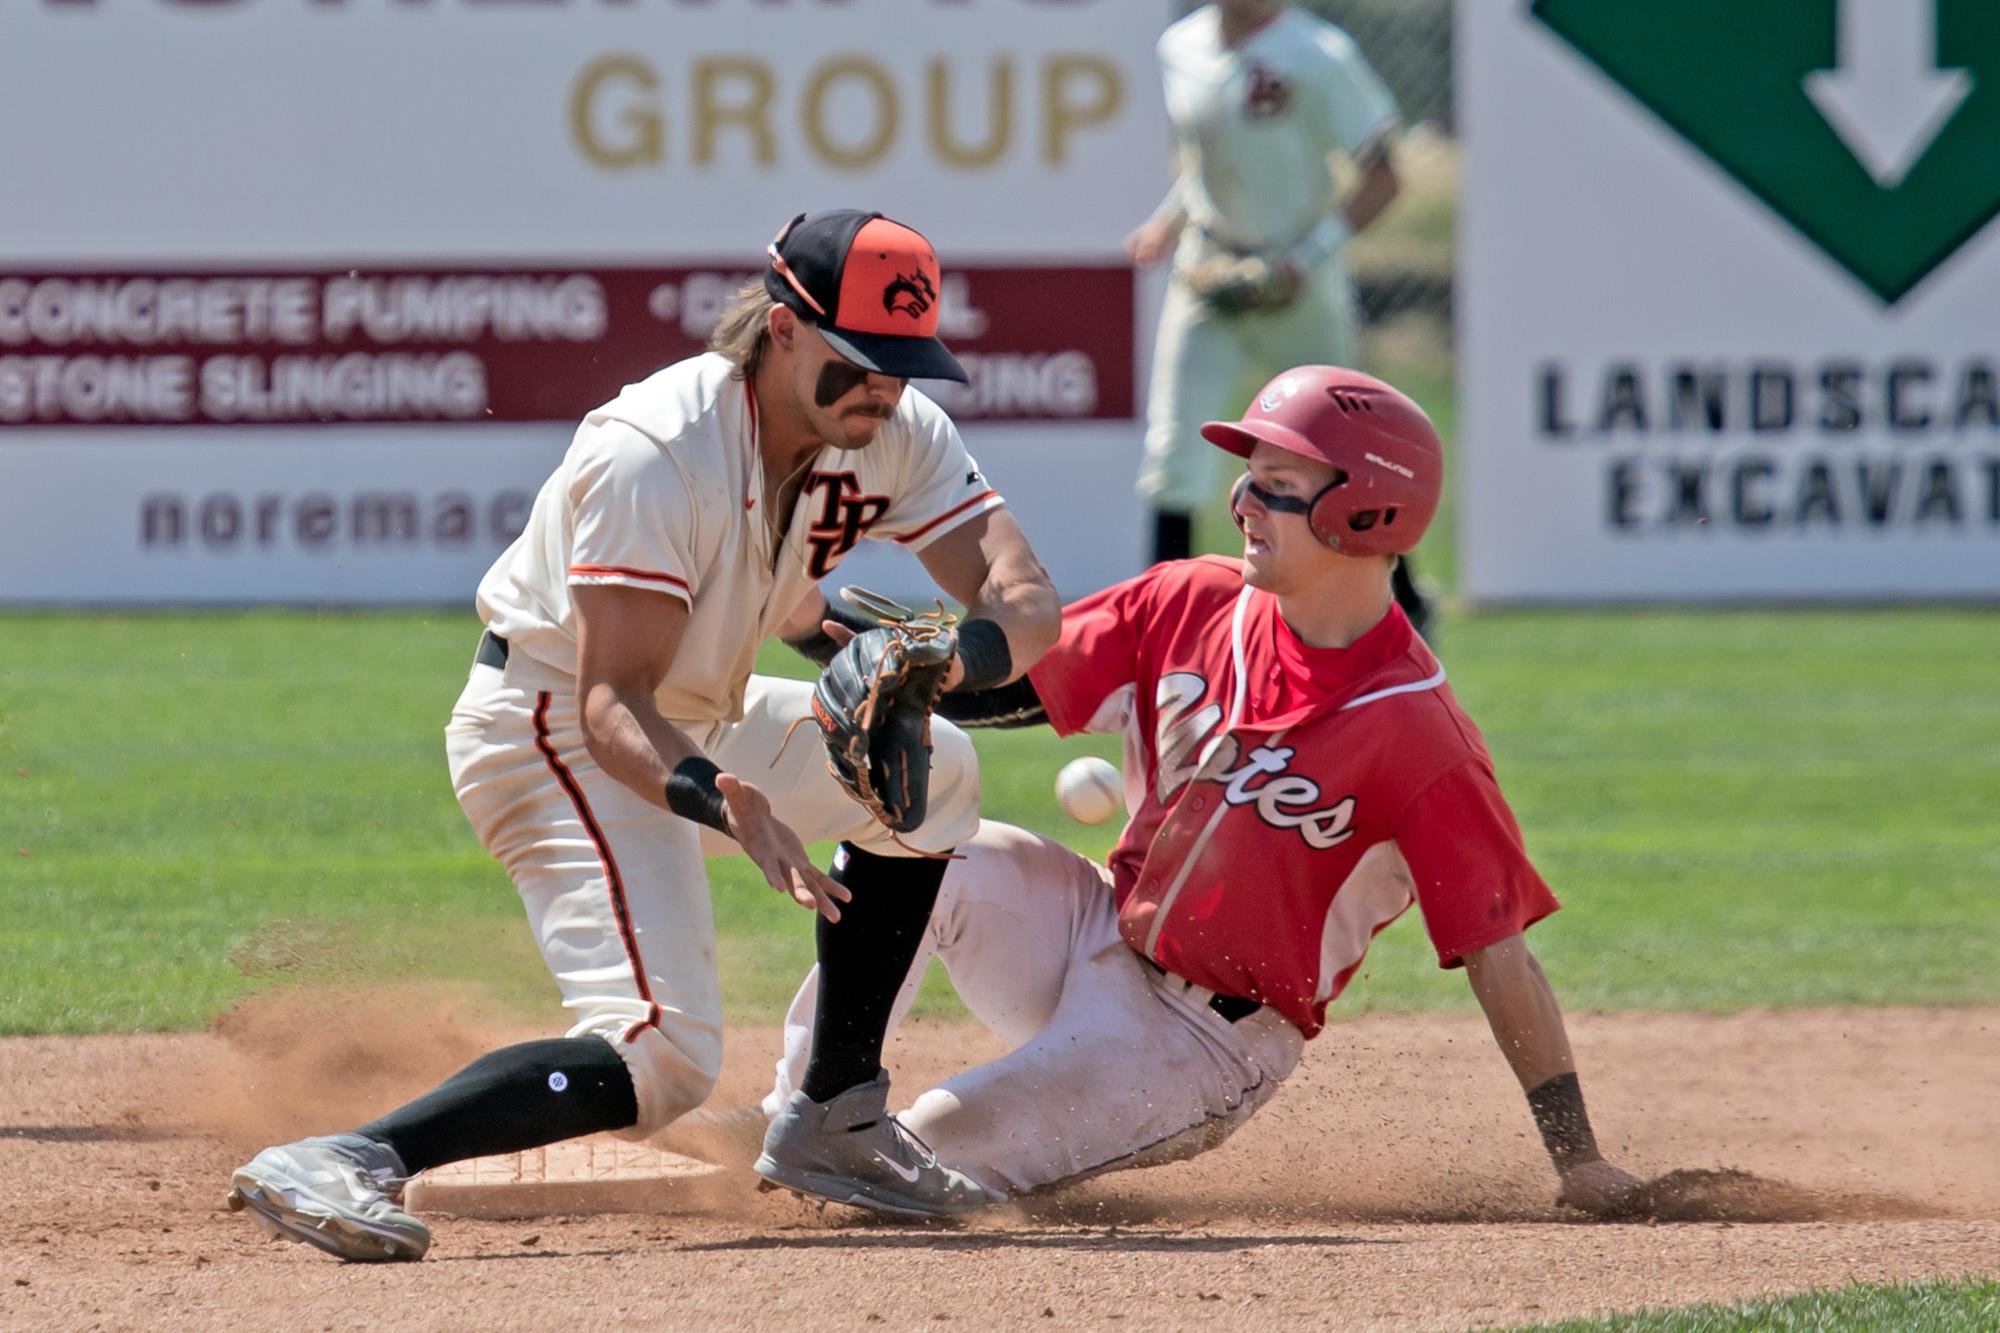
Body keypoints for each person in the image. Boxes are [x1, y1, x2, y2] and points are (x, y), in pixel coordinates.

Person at [226, 209, 1061, 1260]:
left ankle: (835, 1119)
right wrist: (728, 800)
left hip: (695, 714)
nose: (883, 389)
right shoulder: (656, 451)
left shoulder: (891, 433)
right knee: (663, 1055)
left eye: (905, 365)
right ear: (783, 328)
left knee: (938, 773)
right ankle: (349, 1156)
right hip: (550, 732)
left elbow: (1022, 593)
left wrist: (955, 659)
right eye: (862, 362)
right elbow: (611, 700)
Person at [764, 365, 1641, 1217]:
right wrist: (818, 629)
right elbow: (1007, 682)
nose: (1242, 503)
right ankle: (808, 1103)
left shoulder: (1418, 736)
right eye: (1247, 480)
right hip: (1096, 927)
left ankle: (873, 1149)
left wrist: (1580, 1157)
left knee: (920, 1155)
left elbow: (1501, 955)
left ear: (1367, 510)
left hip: (1201, 1039)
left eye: (1278, 484)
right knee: (938, 845)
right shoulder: (1194, 598)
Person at [1127, 0, 1433, 635]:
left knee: (1352, 453)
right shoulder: (1181, 46)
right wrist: (1167, 223)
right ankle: (1160, 627)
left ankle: (1404, 603)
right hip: (1209, 267)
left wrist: (1306, 257)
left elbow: (1384, 175)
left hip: (1299, 278)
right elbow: (1207, 165)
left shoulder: (1317, 52)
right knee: (1173, 450)